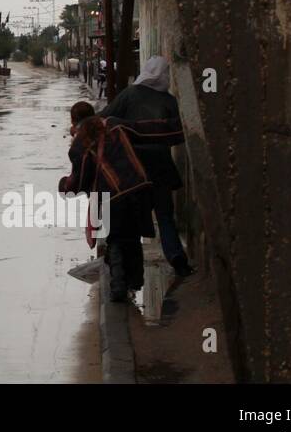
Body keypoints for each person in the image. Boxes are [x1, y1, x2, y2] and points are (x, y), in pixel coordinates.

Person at [99, 55, 196, 278]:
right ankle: (177, 259)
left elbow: (104, 118)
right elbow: (179, 131)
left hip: (132, 169)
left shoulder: (129, 94)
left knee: (131, 218)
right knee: (164, 215)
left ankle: (126, 269)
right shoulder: (169, 101)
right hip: (160, 167)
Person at [62, 101, 154, 302]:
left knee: (116, 240)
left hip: (111, 196)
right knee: (133, 237)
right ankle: (135, 282)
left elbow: (80, 179)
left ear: (73, 121)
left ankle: (119, 286)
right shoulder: (114, 124)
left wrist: (65, 186)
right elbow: (144, 131)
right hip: (138, 187)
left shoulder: (79, 145)